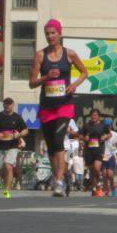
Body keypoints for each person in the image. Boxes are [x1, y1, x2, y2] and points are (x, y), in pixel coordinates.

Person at [29, 19, 88, 197]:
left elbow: (84, 72)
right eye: (47, 33)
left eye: (53, 33)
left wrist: (75, 84)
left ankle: (59, 181)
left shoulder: (69, 54)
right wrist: (46, 77)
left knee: (58, 140)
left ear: (59, 34)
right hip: (47, 106)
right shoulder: (40, 55)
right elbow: (32, 83)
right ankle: (59, 178)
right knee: (51, 146)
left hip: (64, 104)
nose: (50, 36)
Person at [0, 98, 29, 199]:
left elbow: (25, 130)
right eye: (6, 104)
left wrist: (18, 135)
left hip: (13, 146)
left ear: (13, 105)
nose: (7, 106)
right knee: (2, 169)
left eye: (9, 104)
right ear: (3, 105)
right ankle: (6, 182)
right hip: (0, 146)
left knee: (8, 166)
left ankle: (7, 191)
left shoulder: (17, 117)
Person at [81, 110, 108, 197]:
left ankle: (99, 184)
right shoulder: (87, 125)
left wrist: (105, 137)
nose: (94, 117)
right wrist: (84, 137)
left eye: (95, 115)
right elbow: (80, 135)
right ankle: (94, 187)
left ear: (98, 116)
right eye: (92, 115)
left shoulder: (103, 125)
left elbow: (109, 134)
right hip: (88, 150)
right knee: (91, 171)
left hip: (99, 149)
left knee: (97, 168)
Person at [102, 119, 117, 196]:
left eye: (108, 126)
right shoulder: (101, 133)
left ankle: (113, 186)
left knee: (109, 174)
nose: (107, 127)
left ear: (111, 126)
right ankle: (106, 189)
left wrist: (116, 144)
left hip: (111, 155)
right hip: (103, 155)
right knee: (104, 174)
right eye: (106, 126)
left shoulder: (115, 134)